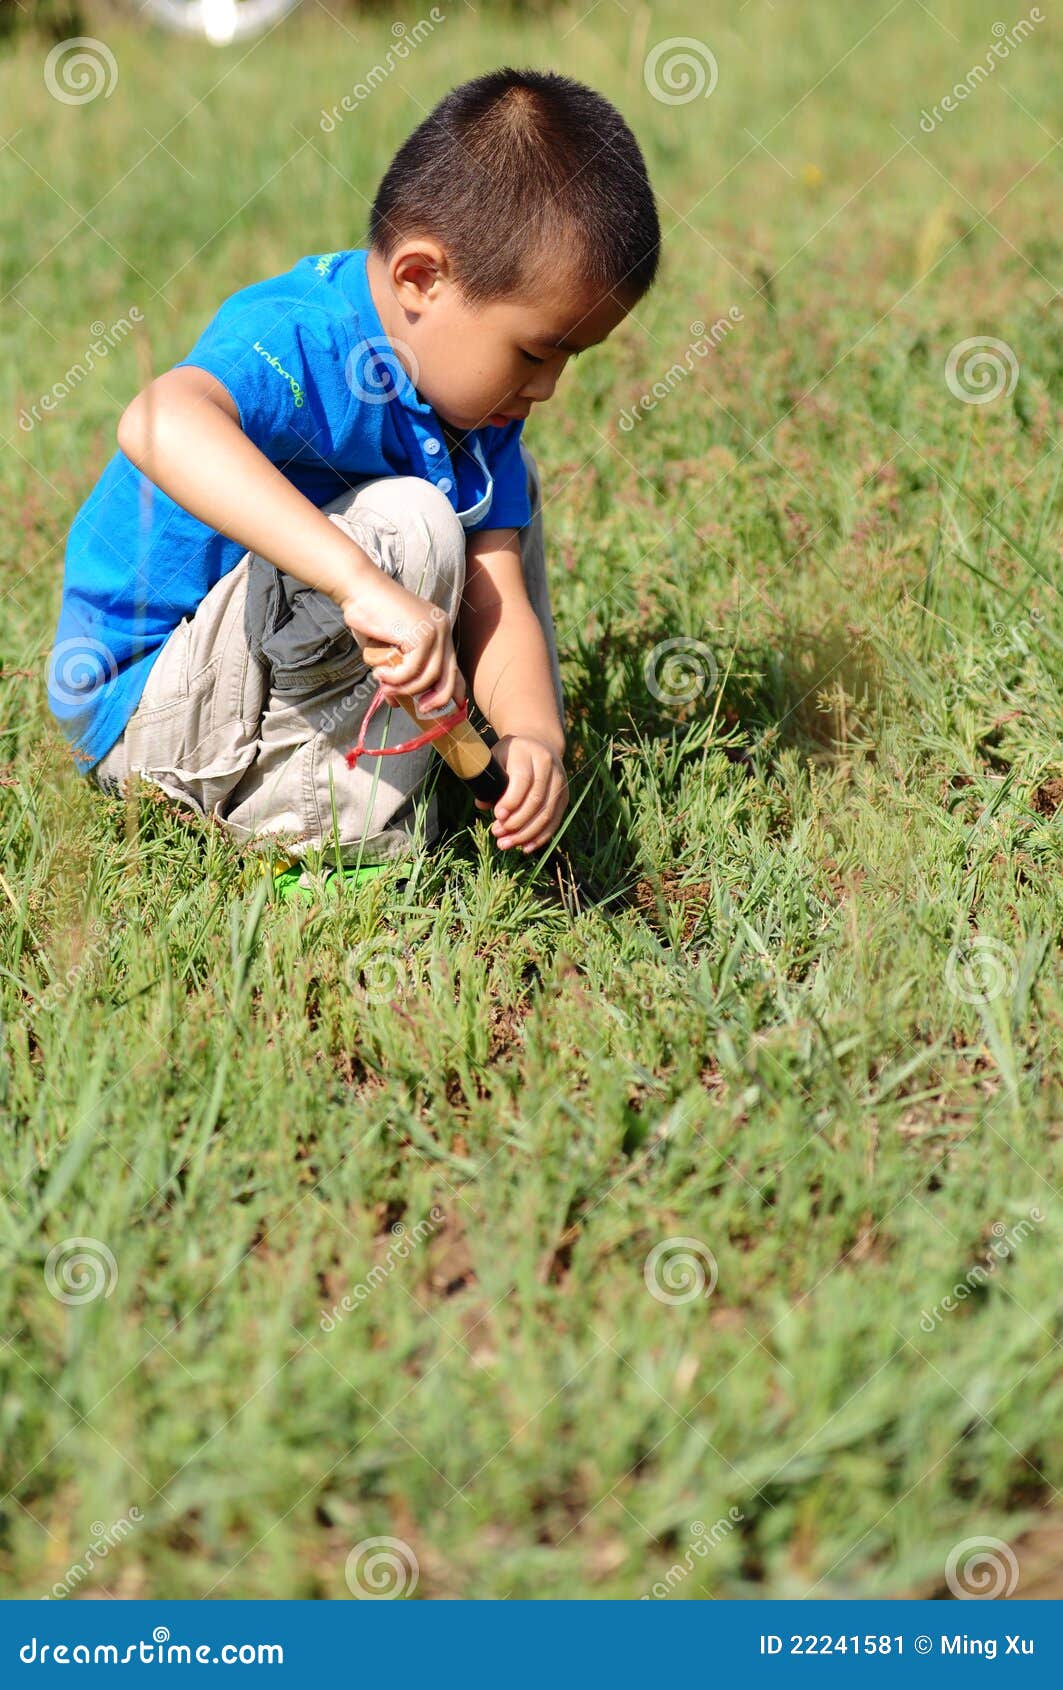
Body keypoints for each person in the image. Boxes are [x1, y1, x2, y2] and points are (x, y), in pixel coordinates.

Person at [47, 66, 661, 892]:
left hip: (255, 684)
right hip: (148, 712)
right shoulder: (303, 338)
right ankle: (332, 841)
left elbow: (496, 589)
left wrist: (531, 737)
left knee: (491, 505)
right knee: (412, 521)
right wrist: (361, 582)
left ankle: (389, 766)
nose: (546, 386)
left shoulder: (479, 413)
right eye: (533, 351)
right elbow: (160, 420)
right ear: (419, 278)